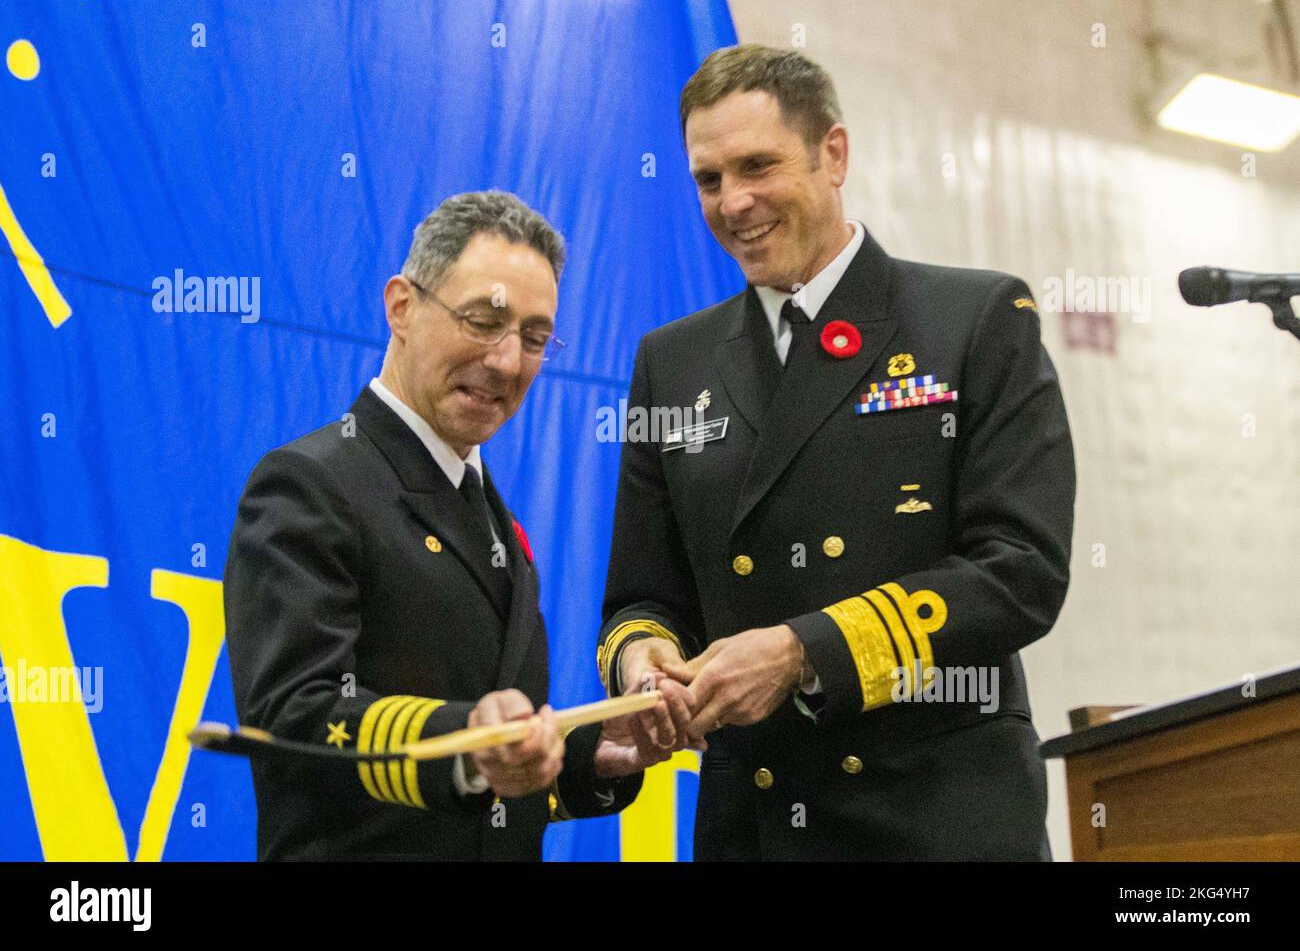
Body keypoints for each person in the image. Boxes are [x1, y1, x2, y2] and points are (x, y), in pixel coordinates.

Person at [599, 46, 1076, 860]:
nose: (734, 202)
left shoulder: (975, 318)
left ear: (834, 154)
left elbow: (1020, 572)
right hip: (752, 819)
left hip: (936, 815)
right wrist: (646, 665)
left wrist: (800, 654)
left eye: (757, 166)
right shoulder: (671, 362)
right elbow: (642, 597)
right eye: (708, 180)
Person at [225, 191, 680, 860]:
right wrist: (468, 747)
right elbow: (293, 723)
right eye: (482, 320)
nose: (505, 361)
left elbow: (482, 797)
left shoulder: (494, 517)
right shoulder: (310, 484)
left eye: (533, 337)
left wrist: (593, 756)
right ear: (402, 306)